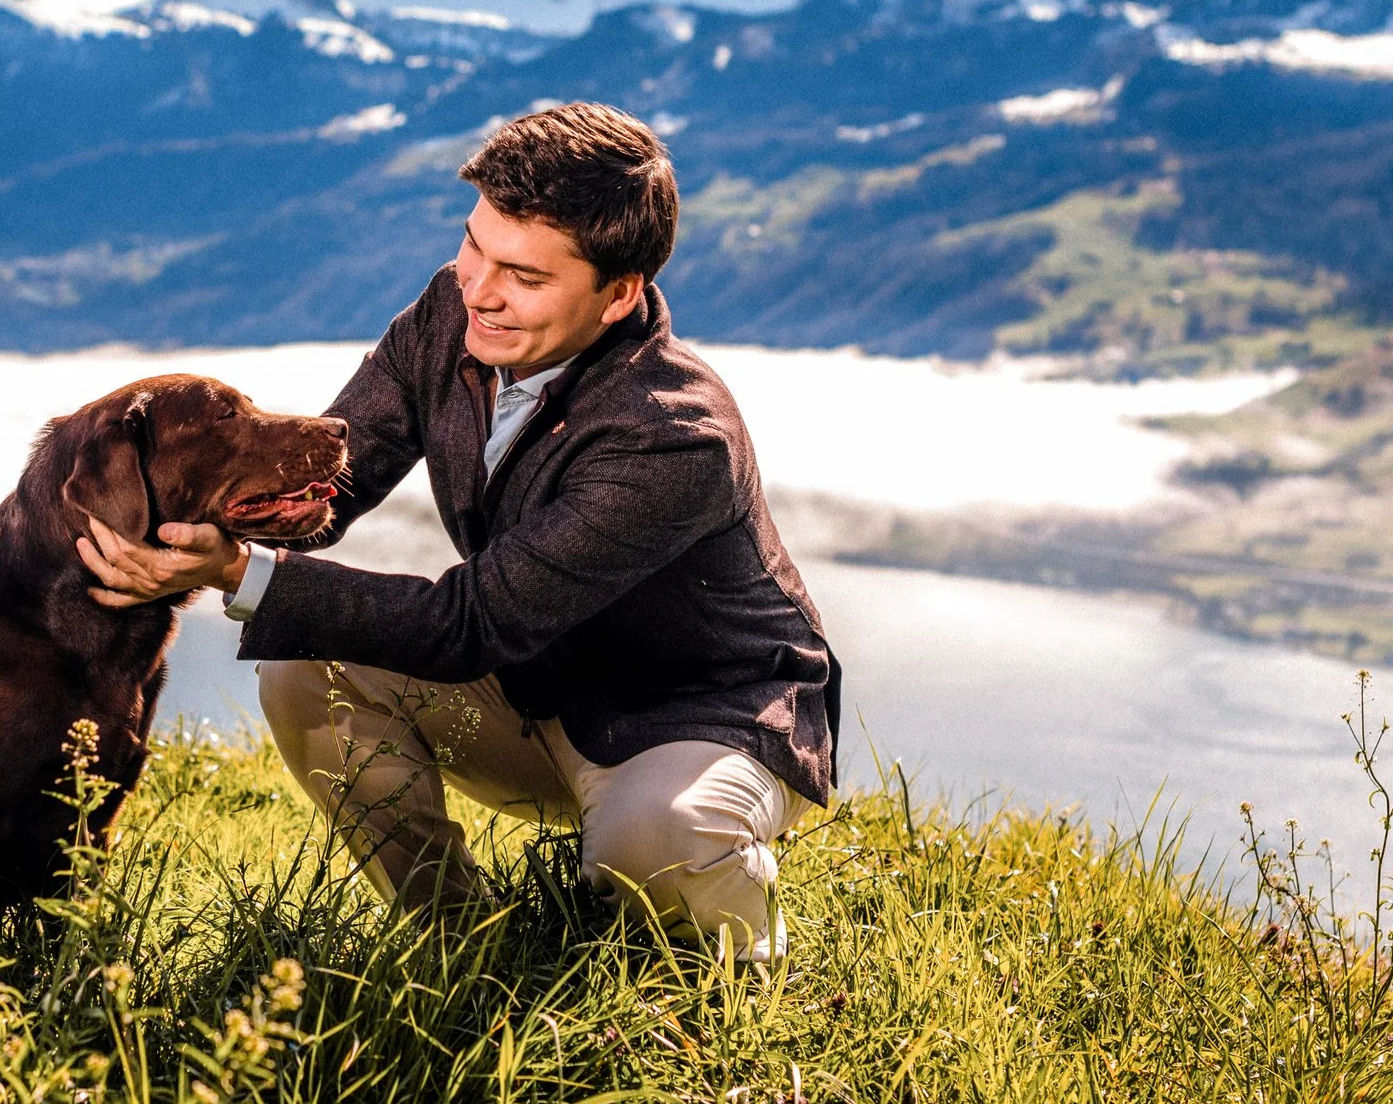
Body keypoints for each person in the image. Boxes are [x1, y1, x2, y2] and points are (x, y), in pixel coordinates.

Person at [76, 101, 840, 960]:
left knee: (652, 839)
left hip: (696, 720)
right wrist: (165, 524)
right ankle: (464, 943)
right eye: (474, 244)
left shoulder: (673, 435)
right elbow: (333, 476)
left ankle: (742, 966)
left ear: (619, 294)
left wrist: (232, 571)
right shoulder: (453, 312)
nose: (479, 289)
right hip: (532, 695)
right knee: (304, 668)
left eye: (525, 274)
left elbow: (473, 622)